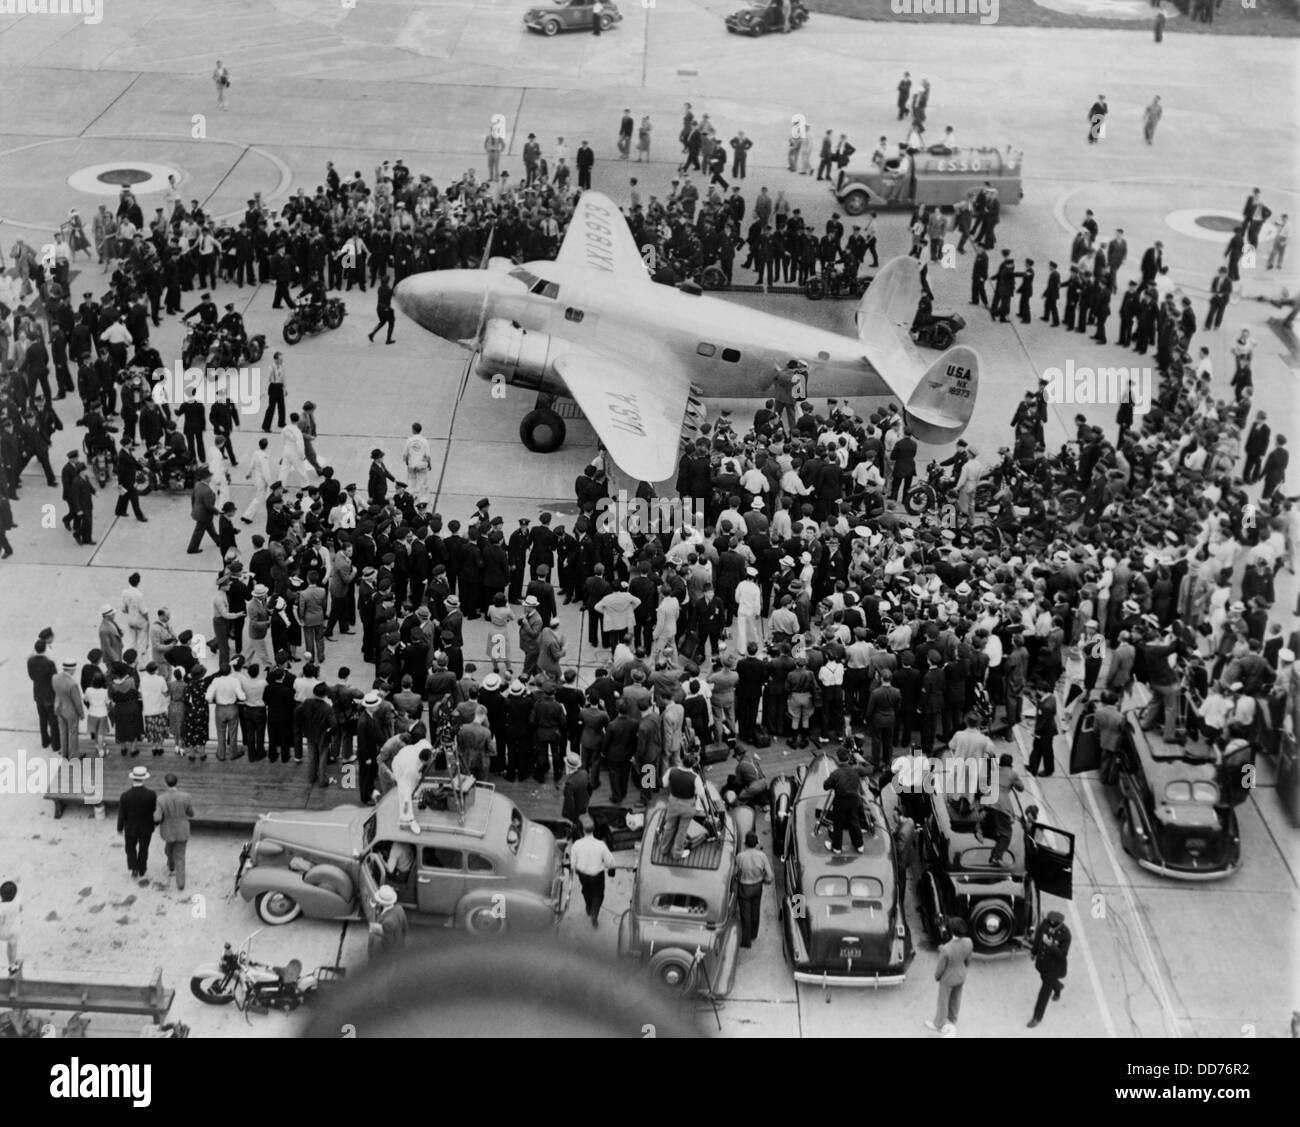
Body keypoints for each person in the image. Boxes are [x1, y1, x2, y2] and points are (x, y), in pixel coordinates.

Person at [926, 918, 973, 1036]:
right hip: (961, 975)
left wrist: (937, 976)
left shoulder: (946, 949)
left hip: (948, 978)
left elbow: (941, 967)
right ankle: (952, 1019)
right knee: (956, 998)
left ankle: (939, 1023)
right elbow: (968, 960)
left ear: (951, 931)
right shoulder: (968, 941)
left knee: (943, 1001)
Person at [822, 745, 871, 854]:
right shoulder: (856, 770)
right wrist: (861, 759)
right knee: (854, 821)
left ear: (838, 759)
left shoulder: (836, 773)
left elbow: (825, 786)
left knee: (838, 823)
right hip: (854, 800)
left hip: (840, 801)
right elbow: (870, 769)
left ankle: (837, 847)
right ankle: (859, 845)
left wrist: (832, 781)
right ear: (848, 758)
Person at [1026, 910, 1071, 1028]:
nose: (1051, 924)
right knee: (1044, 978)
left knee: (1044, 994)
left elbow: (1062, 955)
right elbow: (1037, 939)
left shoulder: (1065, 934)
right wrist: (1034, 952)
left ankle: (1037, 1017)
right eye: (1050, 921)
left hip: (1054, 968)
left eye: (1054, 923)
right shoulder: (1045, 924)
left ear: (1059, 923)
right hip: (1042, 964)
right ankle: (1058, 987)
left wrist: (1052, 945)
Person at [570, 815, 616, 928]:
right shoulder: (601, 845)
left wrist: (575, 868)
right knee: (598, 895)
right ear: (594, 829)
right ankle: (594, 915)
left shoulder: (577, 845)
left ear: (582, 830)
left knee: (586, 892)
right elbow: (610, 861)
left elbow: (572, 863)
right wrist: (611, 870)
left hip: (583, 875)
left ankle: (589, 909)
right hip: (597, 876)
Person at [116, 764, 158, 882]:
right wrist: (155, 823)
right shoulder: (151, 794)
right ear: (144, 779)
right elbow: (154, 810)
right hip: (146, 826)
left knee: (130, 848)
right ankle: (142, 868)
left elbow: (122, 813)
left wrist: (120, 828)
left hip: (130, 827)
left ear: (132, 778)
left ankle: (133, 867)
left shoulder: (125, 795)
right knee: (144, 848)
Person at [154, 773, 194, 891]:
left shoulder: (161, 799)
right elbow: (191, 813)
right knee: (180, 856)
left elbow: (157, 818)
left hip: (168, 830)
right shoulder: (186, 797)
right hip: (182, 830)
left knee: (169, 848)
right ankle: (180, 883)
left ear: (165, 784)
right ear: (177, 783)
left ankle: (171, 865)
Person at [735, 830, 774, 948]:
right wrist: (764, 881)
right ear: (757, 843)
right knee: (755, 911)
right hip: (757, 886)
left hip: (744, 887)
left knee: (745, 914)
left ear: (745, 843)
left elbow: (735, 873)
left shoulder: (740, 857)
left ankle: (746, 941)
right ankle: (753, 934)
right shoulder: (762, 856)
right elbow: (770, 876)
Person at [368, 885, 409, 961]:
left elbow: (384, 944)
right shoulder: (399, 908)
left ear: (382, 902)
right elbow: (405, 929)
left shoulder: (387, 922)